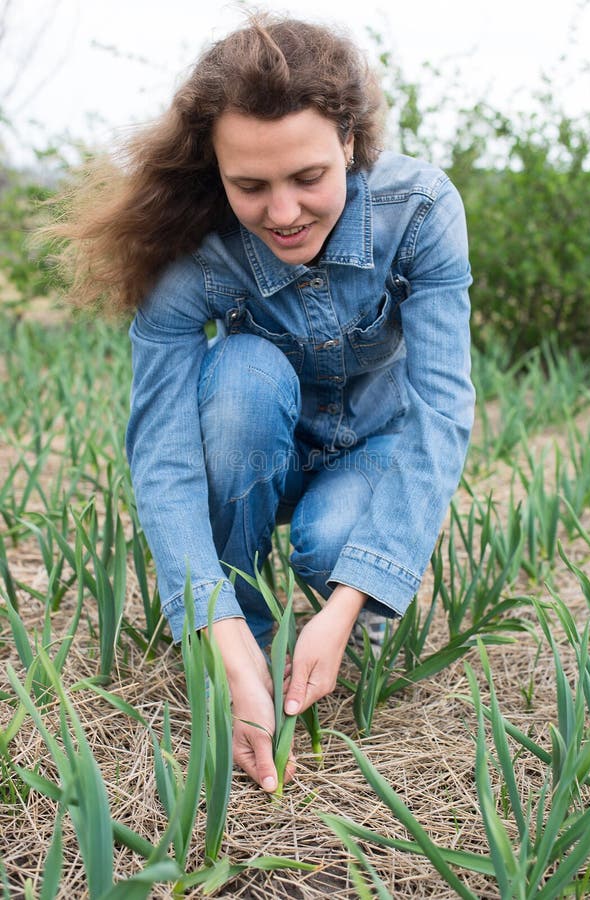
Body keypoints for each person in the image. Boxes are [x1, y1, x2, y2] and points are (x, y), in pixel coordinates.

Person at [54, 14, 475, 794]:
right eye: (249, 185)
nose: (282, 212)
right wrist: (216, 627)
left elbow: (441, 413)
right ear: (216, 170)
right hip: (257, 444)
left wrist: (350, 598)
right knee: (244, 370)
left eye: (307, 177)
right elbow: (165, 452)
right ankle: (247, 654)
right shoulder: (191, 259)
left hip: (371, 448)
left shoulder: (417, 211)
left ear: (348, 141)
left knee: (332, 543)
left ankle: (349, 610)